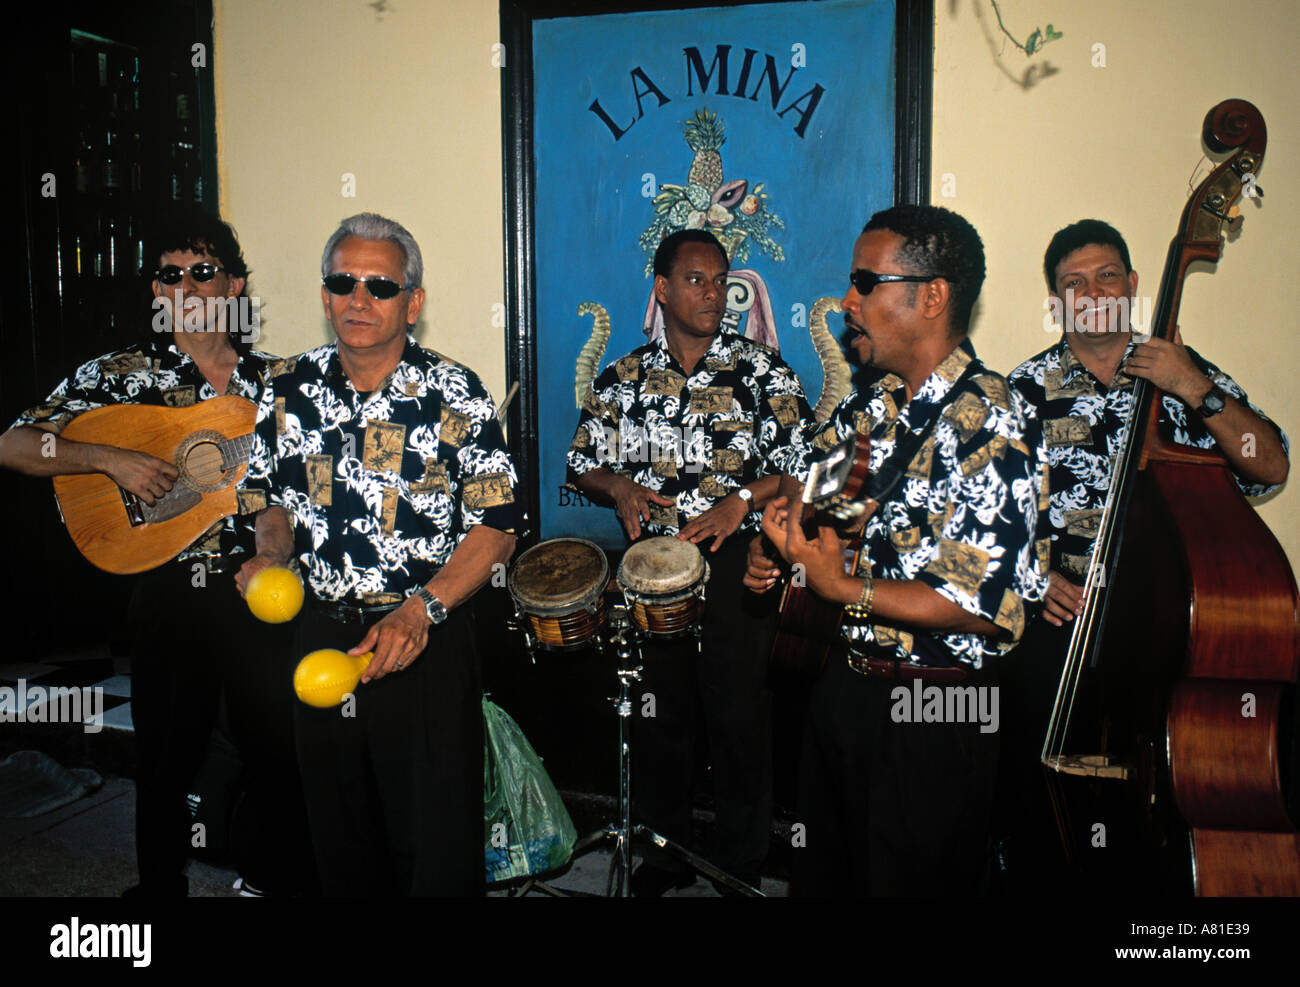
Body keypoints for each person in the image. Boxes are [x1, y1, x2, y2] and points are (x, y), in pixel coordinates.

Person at [0, 207, 312, 897]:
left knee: (279, 748)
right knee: (167, 757)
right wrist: (111, 459)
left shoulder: (280, 383)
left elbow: (283, 492)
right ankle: (158, 892)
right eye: (172, 274)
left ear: (234, 288)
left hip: (256, 583)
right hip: (167, 586)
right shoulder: (120, 375)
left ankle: (269, 880)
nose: (189, 288)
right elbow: (15, 444)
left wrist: (272, 551)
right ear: (155, 291)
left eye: (205, 272)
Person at [745, 204, 1049, 895]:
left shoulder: (991, 421)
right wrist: (779, 547)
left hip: (937, 711)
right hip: (845, 687)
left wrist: (845, 590)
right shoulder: (872, 406)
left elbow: (982, 605)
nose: (848, 301)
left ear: (932, 295)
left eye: (864, 281)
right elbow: (821, 507)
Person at [997, 218, 1289, 890]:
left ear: (1132, 285)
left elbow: (1268, 467)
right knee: (1032, 791)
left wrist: (1198, 389)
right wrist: (1032, 575)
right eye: (1073, 283)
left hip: (1165, 629)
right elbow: (985, 516)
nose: (1092, 291)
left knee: (1168, 800)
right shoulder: (1023, 390)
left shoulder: (1184, 375)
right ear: (1057, 302)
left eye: (1105, 276)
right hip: (1059, 627)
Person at [236, 212, 519, 896]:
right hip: (318, 634)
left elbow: (499, 524)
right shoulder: (284, 388)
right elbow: (265, 496)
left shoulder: (457, 392)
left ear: (412, 302)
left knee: (434, 844)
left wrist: (421, 610)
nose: (358, 299)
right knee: (338, 834)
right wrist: (271, 552)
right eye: (343, 281)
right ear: (326, 292)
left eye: (380, 286)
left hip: (424, 637)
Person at [566, 229, 811, 895]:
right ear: (664, 289)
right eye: (697, 280)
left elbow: (803, 471)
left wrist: (740, 501)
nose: (714, 293)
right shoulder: (623, 378)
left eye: (721, 280)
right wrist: (617, 487)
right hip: (653, 569)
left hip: (739, 565)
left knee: (738, 715)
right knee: (658, 714)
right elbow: (581, 460)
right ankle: (663, 852)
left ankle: (739, 862)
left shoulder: (765, 373)